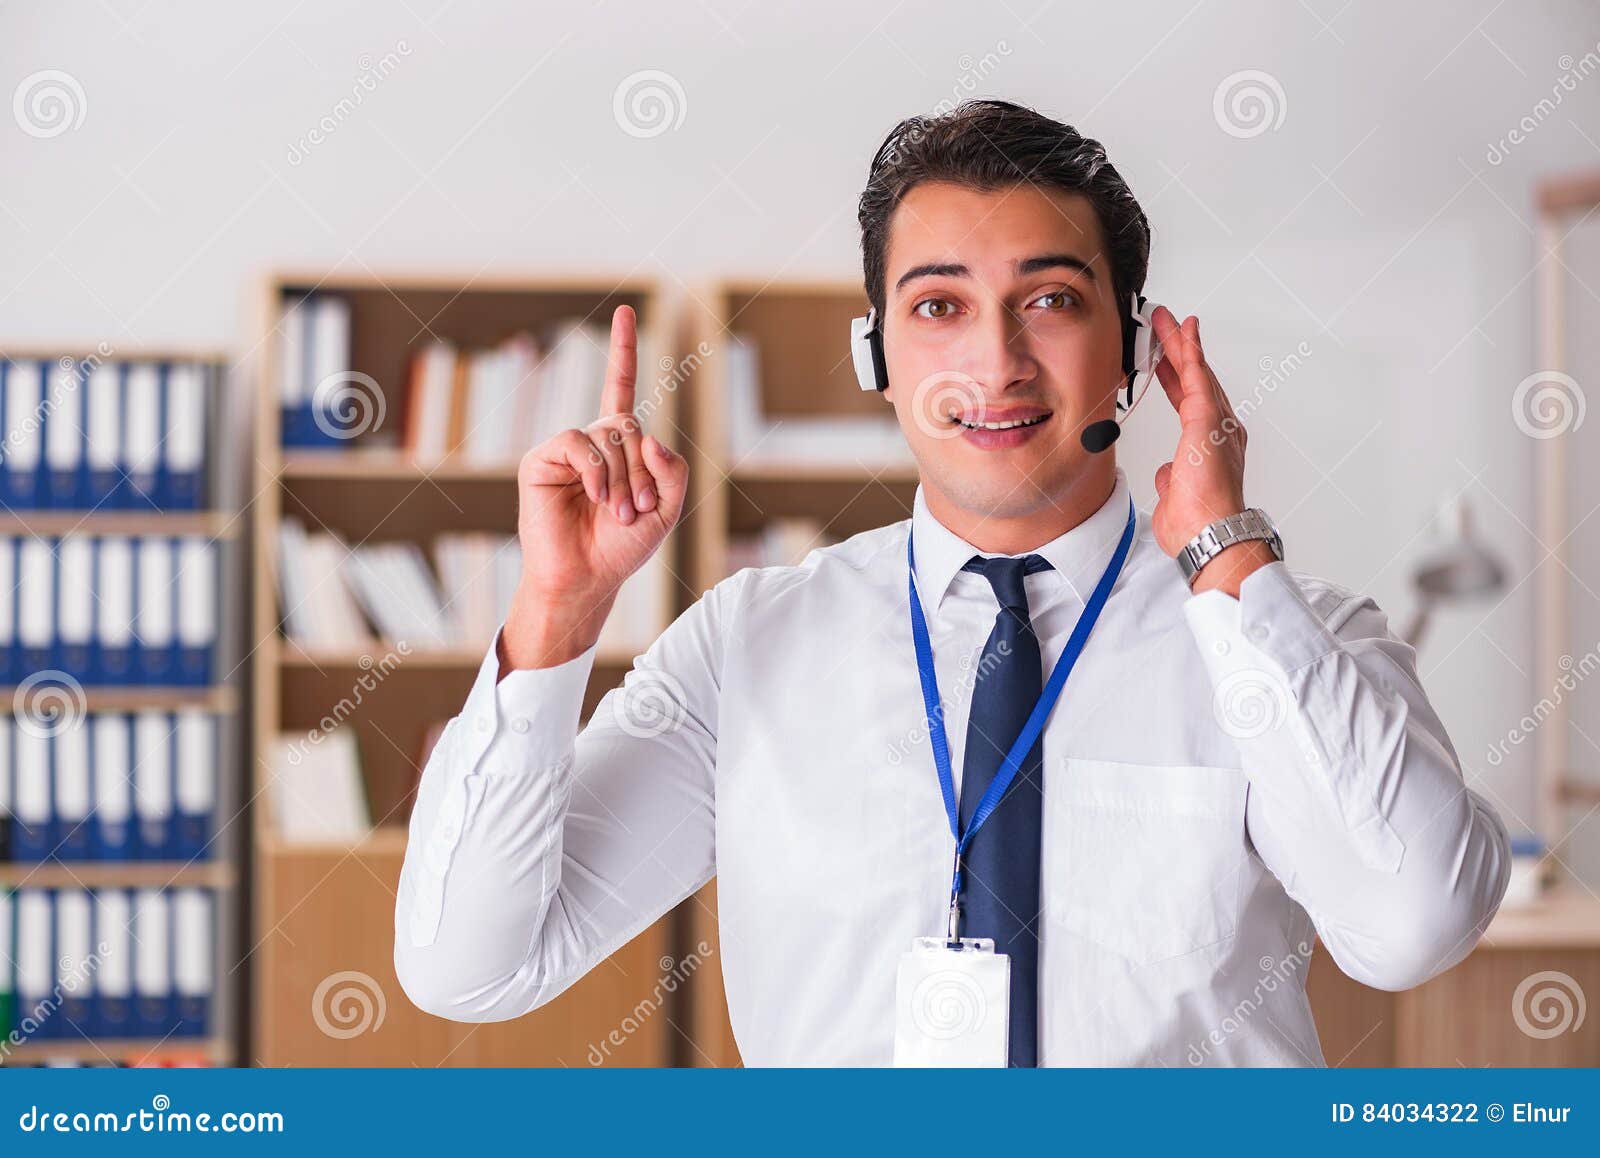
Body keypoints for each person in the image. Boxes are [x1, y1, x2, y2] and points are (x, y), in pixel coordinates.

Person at [393, 99, 1510, 1066]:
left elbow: (1411, 924)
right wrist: (558, 614)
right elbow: (469, 968)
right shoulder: (749, 644)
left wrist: (1228, 559)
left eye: (1049, 299)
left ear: (1130, 347)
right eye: (938, 306)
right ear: (877, 354)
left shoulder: (1282, 633)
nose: (995, 364)